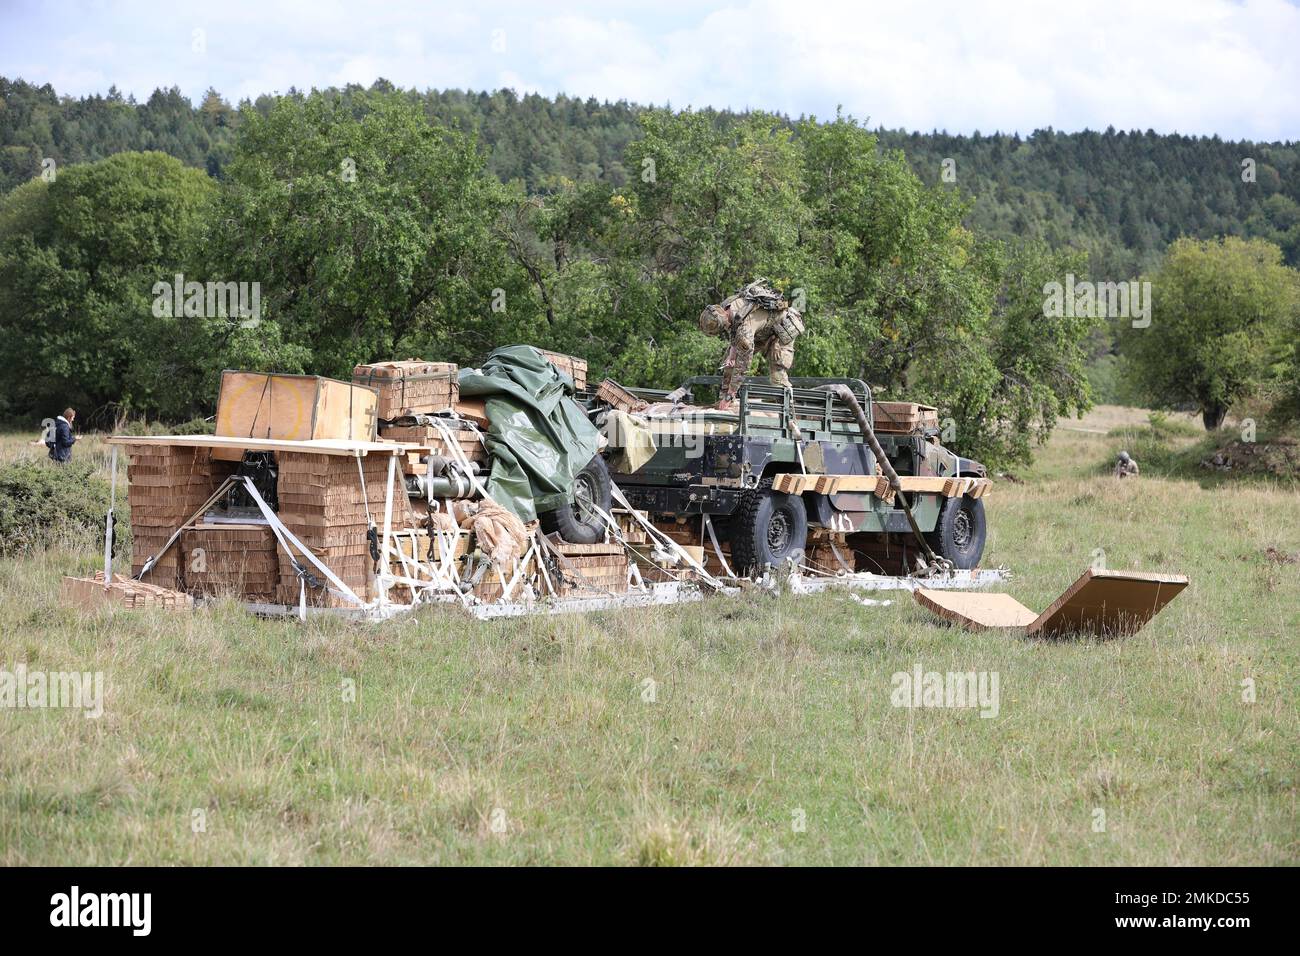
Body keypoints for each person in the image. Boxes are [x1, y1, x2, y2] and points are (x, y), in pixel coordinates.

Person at [699, 279, 804, 410]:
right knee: (729, 361)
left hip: (781, 330)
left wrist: (730, 395)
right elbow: (733, 329)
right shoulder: (726, 307)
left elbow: (743, 367)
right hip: (762, 330)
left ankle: (789, 414)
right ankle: (724, 400)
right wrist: (731, 356)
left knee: (777, 375)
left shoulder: (745, 331)